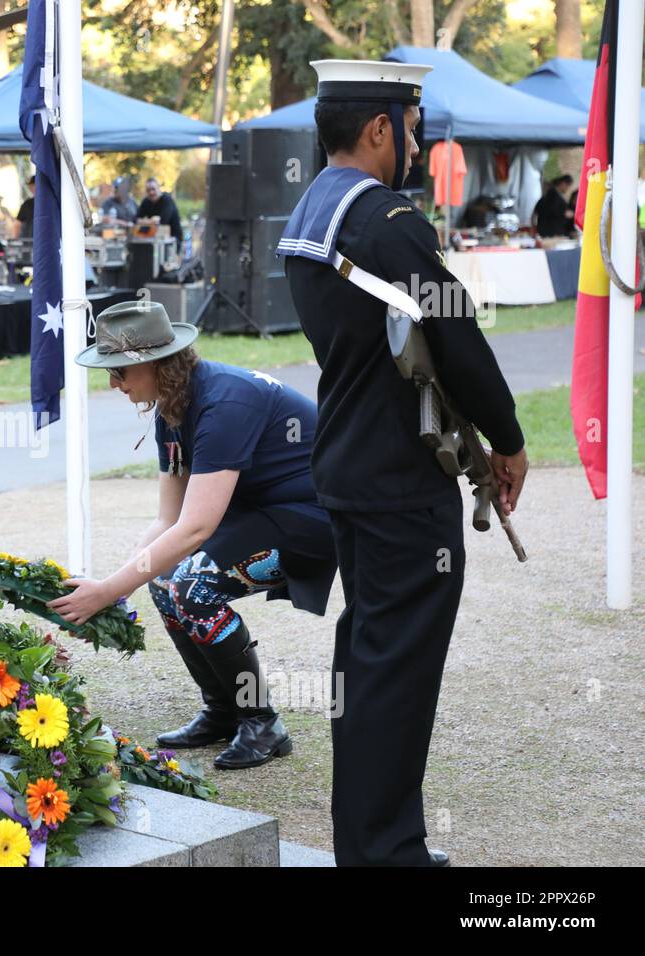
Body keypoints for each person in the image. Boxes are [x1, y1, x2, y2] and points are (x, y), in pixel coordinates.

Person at [279, 59, 527, 867]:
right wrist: (509, 436)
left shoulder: (314, 207)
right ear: (379, 128)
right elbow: (455, 334)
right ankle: (387, 852)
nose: (416, 141)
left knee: (369, 665)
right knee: (396, 676)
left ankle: (369, 842)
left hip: (349, 465)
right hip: (397, 480)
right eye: (411, 126)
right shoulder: (383, 219)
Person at [46, 301, 338, 770]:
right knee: (164, 580)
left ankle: (263, 723)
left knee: (190, 584)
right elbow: (169, 520)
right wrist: (113, 585)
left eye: (120, 372)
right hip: (263, 513)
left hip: (314, 521)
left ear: (156, 364)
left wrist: (110, 590)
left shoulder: (225, 402)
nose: (114, 385)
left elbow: (195, 527)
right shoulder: (173, 406)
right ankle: (224, 711)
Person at [137, 177, 184, 245]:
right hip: (154, 240)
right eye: (148, 190)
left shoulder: (167, 200)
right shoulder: (146, 202)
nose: (151, 192)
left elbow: (163, 221)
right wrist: (152, 221)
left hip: (173, 240)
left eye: (153, 189)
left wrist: (144, 222)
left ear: (158, 188)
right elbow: (136, 219)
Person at [15, 175, 36, 239]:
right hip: (28, 240)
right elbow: (17, 224)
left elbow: (17, 224)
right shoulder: (27, 204)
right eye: (30, 186)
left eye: (32, 185)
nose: (30, 188)